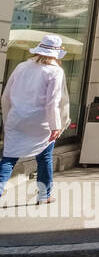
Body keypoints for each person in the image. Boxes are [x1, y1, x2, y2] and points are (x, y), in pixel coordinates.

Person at [0, 35, 71, 204]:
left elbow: (6, 95)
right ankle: (44, 195)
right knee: (44, 158)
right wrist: (55, 126)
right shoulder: (55, 71)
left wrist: (7, 117)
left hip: (17, 119)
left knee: (9, 158)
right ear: (56, 53)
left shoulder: (21, 67)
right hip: (41, 122)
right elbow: (52, 102)